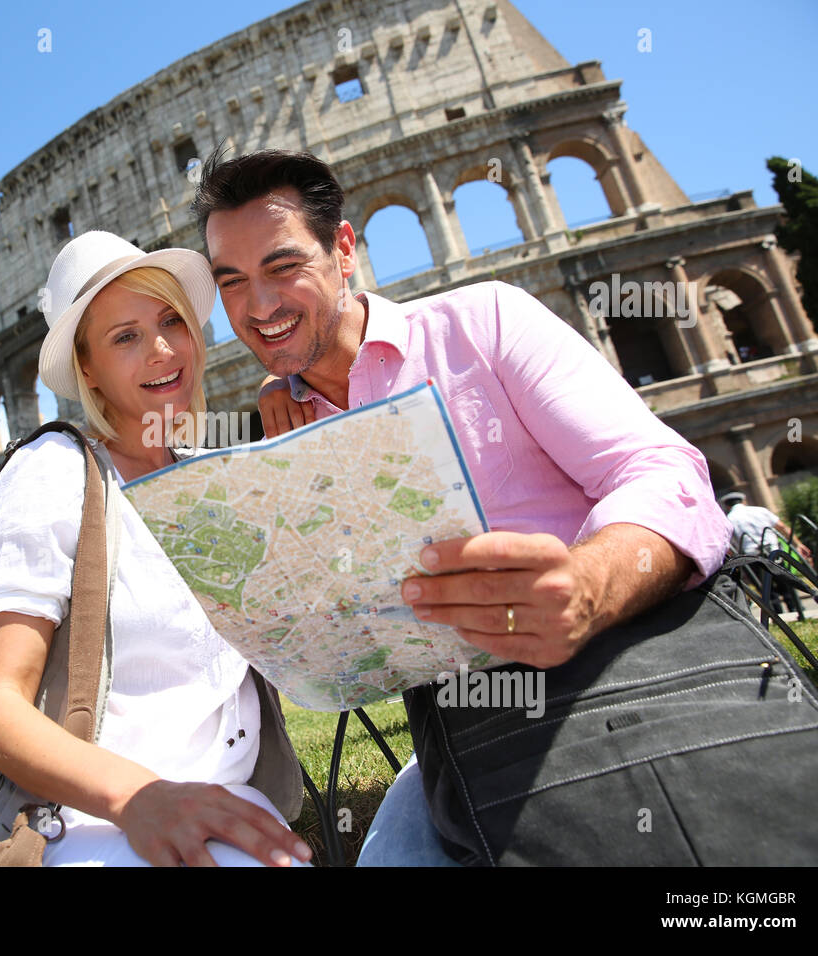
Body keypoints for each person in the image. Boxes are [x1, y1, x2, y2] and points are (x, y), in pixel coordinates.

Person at [189, 146, 741, 865]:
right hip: (462, 741)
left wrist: (589, 586)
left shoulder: (482, 323)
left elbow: (665, 470)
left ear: (344, 249)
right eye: (232, 282)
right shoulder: (284, 427)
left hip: (619, 672)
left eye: (283, 267)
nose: (258, 308)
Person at [0, 230, 311, 867]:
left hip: (236, 815)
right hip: (99, 829)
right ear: (86, 368)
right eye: (126, 336)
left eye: (172, 319)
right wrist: (140, 797)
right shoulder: (54, 472)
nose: (164, 349)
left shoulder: (212, 478)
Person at [720, 489, 813, 617]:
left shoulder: (728, 519)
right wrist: (798, 544)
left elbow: (729, 545)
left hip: (751, 557)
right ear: (743, 501)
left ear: (728, 506)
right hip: (773, 552)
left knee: (766, 589)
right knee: (785, 583)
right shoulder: (760, 510)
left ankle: (777, 616)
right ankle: (798, 611)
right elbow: (782, 527)